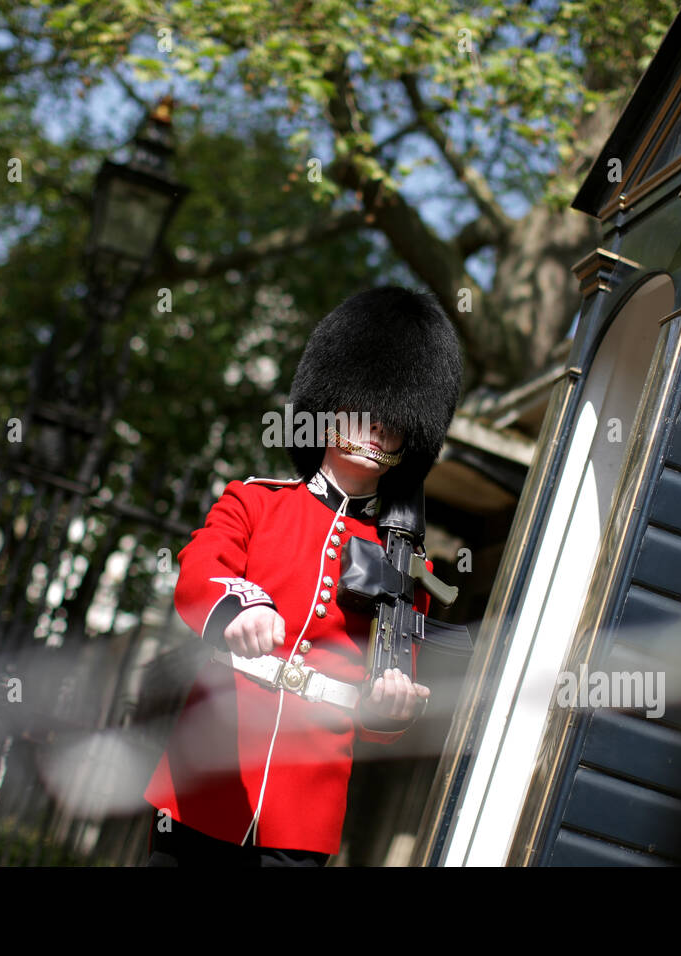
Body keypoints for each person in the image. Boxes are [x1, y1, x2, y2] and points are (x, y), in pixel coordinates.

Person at [143, 285, 463, 866]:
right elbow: (199, 572)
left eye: (394, 422)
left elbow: (387, 700)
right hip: (207, 777)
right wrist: (244, 608)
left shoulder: (408, 566)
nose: (378, 430)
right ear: (331, 407)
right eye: (366, 411)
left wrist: (392, 706)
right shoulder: (256, 502)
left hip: (304, 811)